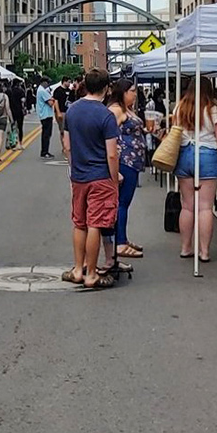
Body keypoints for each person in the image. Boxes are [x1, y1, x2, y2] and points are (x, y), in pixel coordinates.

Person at [61, 68, 119, 289]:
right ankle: (92, 273)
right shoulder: (106, 115)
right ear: (106, 88)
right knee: (95, 224)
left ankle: (78, 269)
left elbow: (67, 146)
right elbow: (112, 153)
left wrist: (74, 167)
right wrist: (114, 180)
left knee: (80, 223)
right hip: (101, 176)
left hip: (79, 175)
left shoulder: (72, 111)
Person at [173, 76, 217, 262]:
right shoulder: (214, 110)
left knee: (188, 206)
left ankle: (185, 247)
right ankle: (204, 251)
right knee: (205, 207)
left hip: (184, 155)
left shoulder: (179, 107)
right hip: (207, 155)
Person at [107, 79, 146, 260]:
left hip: (133, 161)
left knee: (125, 202)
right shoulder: (116, 110)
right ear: (122, 92)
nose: (134, 94)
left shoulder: (126, 109)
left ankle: (123, 238)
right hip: (125, 162)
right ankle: (120, 242)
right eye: (131, 91)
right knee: (122, 203)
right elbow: (108, 136)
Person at [36, 77, 55, 158]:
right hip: (46, 114)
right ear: (44, 82)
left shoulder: (40, 90)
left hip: (44, 114)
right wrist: (53, 99)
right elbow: (50, 103)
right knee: (46, 134)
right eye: (47, 82)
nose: (48, 84)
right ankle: (45, 151)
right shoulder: (42, 91)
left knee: (46, 134)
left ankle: (45, 151)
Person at [9, 79, 26, 149]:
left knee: (13, 126)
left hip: (11, 110)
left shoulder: (9, 91)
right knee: (20, 127)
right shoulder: (21, 91)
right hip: (19, 110)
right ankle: (20, 143)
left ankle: (13, 142)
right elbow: (23, 101)